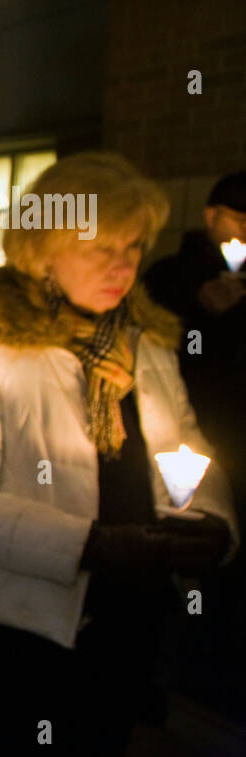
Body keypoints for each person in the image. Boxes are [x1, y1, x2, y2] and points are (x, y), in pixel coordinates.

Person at [0, 152, 238, 757]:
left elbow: (187, 448)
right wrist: (88, 544)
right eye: (99, 247)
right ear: (42, 249)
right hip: (15, 631)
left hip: (125, 622)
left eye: (134, 246)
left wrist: (212, 522)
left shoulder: (143, 342)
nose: (122, 266)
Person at [143, 170, 246, 719]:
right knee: (194, 553)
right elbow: (161, 346)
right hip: (194, 432)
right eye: (239, 220)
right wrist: (200, 310)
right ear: (213, 218)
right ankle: (186, 672)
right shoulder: (173, 276)